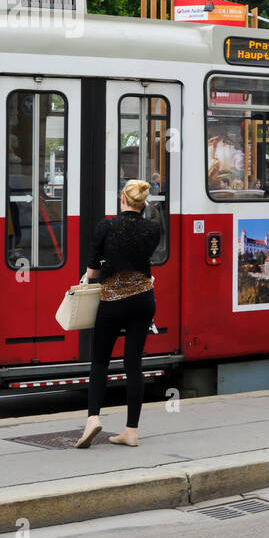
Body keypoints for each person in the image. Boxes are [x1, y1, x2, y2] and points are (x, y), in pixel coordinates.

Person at [77, 179, 161, 449]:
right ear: (143, 203)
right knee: (133, 365)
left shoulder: (106, 226)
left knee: (100, 362)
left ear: (122, 199)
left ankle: (93, 420)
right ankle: (131, 432)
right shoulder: (153, 229)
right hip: (143, 301)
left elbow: (92, 272)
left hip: (113, 302)